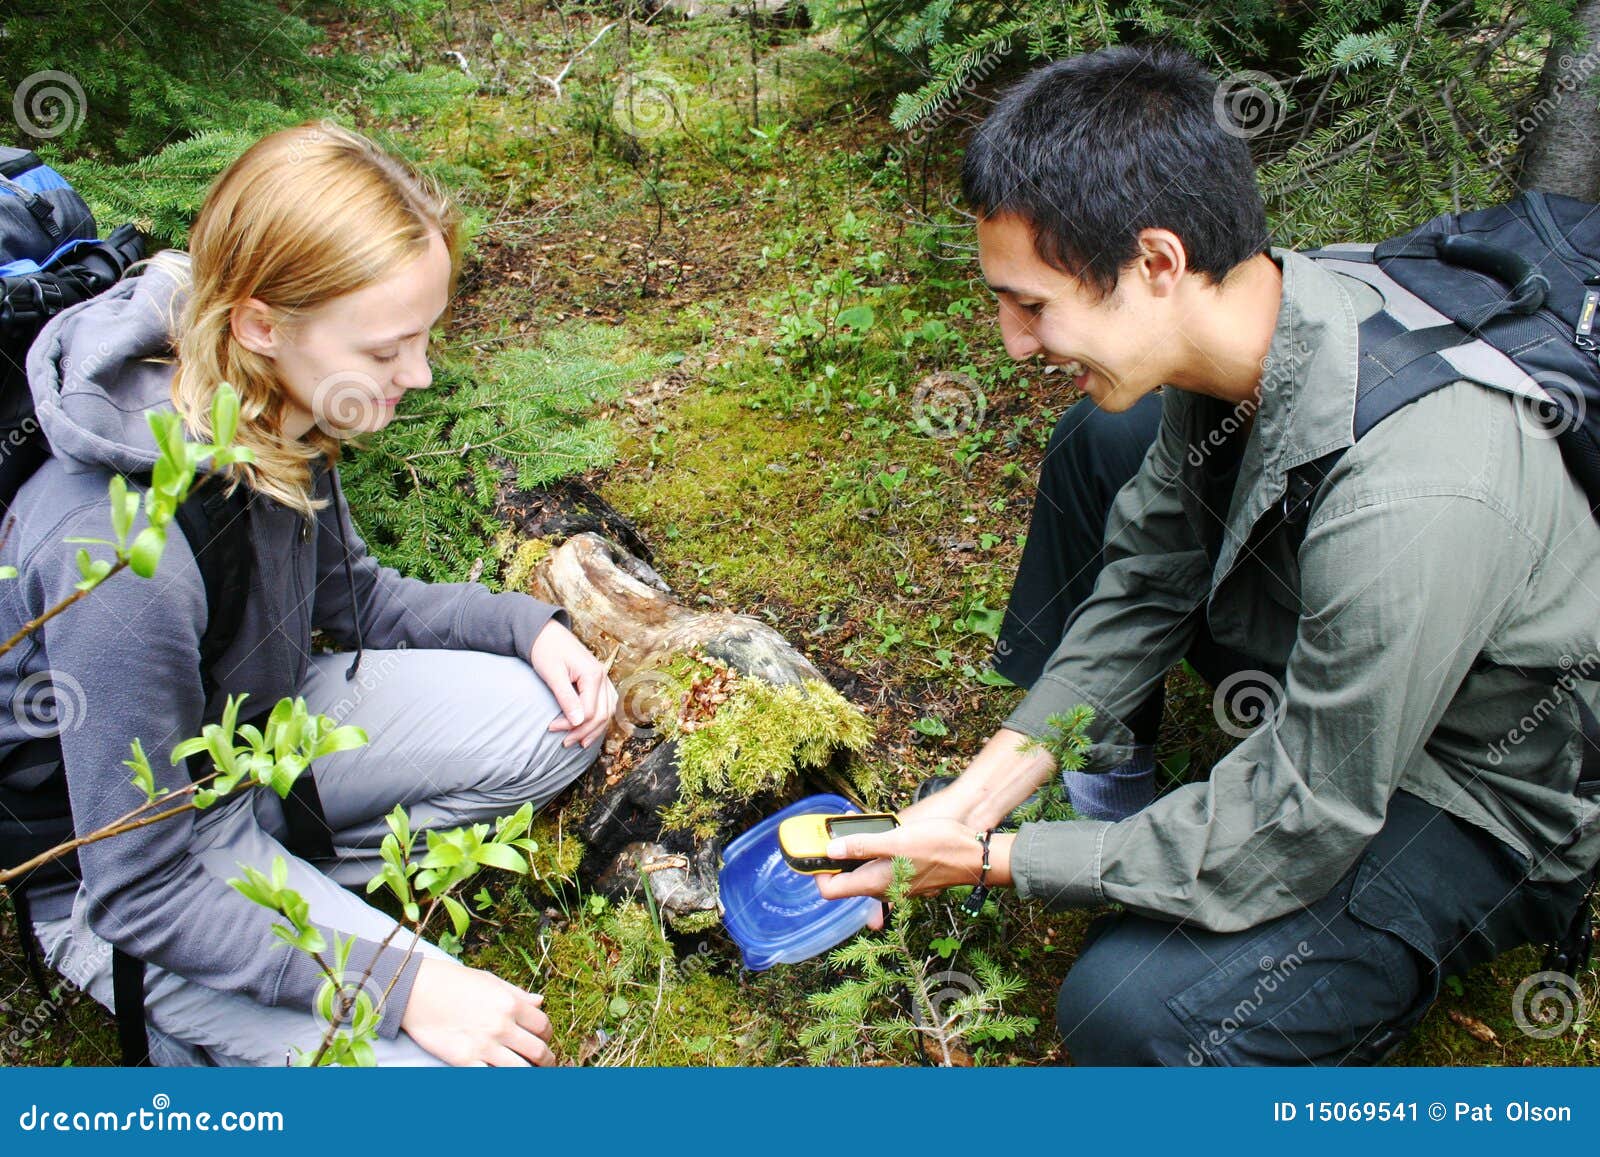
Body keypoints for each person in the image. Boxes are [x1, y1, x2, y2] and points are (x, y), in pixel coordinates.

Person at [818, 46, 1600, 1065]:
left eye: (1033, 304)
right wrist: (976, 795)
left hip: (1481, 786)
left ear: (1156, 262)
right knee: (1102, 439)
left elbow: (1303, 812)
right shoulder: (1253, 318)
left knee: (1132, 1013)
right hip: (1367, 665)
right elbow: (1150, 579)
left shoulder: (1420, 488)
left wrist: (995, 858)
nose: (1012, 342)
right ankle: (1113, 794)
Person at [0, 123, 617, 1066]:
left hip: (251, 748)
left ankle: (286, 901)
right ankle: (208, 1008)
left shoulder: (272, 403)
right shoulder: (122, 555)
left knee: (552, 724)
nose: (419, 374)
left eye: (424, 337)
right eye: (387, 348)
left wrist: (527, 626)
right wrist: (402, 984)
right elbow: (136, 887)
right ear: (260, 323)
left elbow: (356, 599)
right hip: (127, 876)